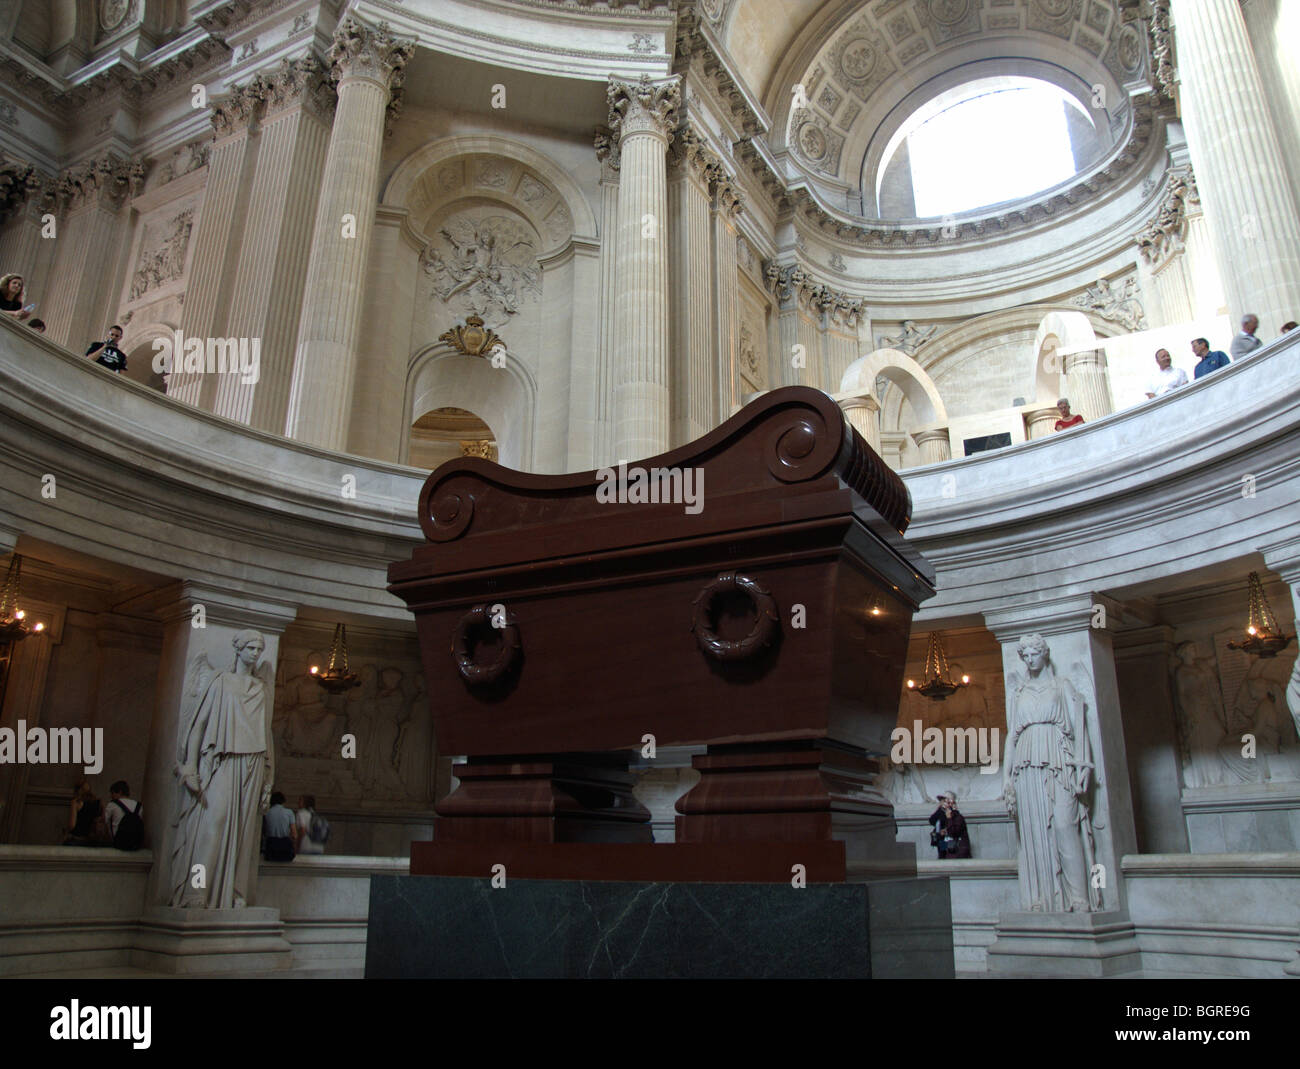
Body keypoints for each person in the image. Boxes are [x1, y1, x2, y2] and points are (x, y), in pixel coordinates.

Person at [168, 629, 275, 907]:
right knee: (213, 823)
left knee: (243, 831)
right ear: (238, 649)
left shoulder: (261, 688)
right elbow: (198, 726)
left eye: (259, 649)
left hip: (252, 762)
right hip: (224, 760)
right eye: (250, 647)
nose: (255, 653)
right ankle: (196, 891)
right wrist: (190, 766)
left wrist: (268, 776)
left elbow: (267, 733)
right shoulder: (221, 682)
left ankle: (233, 893)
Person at [1002, 633, 1099, 912]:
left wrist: (1084, 764)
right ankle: (1044, 899)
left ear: (1045, 654)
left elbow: (1079, 728)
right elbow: (1012, 736)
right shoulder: (1019, 692)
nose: (1030, 659)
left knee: (1064, 826)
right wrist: (1006, 777)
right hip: (1026, 764)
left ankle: (1079, 896)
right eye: (1025, 655)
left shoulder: (1061, 685)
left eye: (1034, 653)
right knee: (1034, 833)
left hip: (1058, 758)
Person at [928, 790, 971, 859]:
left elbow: (954, 832)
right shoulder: (942, 813)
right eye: (942, 801)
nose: (943, 803)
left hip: (956, 848)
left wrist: (949, 820)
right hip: (944, 843)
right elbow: (932, 820)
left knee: (948, 858)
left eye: (945, 801)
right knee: (942, 857)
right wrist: (940, 809)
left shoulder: (957, 816)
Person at [63, 779, 105, 846]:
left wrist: (66, 832)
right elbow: (103, 819)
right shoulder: (99, 802)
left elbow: (72, 825)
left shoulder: (76, 802)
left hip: (78, 839)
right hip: (93, 840)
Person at [104, 780, 144, 850]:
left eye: (112, 793)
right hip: (134, 844)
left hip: (118, 843)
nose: (111, 796)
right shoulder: (139, 806)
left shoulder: (112, 804)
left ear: (119, 792)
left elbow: (105, 821)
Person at [263, 791, 296, 862]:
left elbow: (264, 831)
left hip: (271, 847)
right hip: (285, 847)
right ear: (283, 801)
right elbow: (294, 834)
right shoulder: (289, 812)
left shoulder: (267, 813)